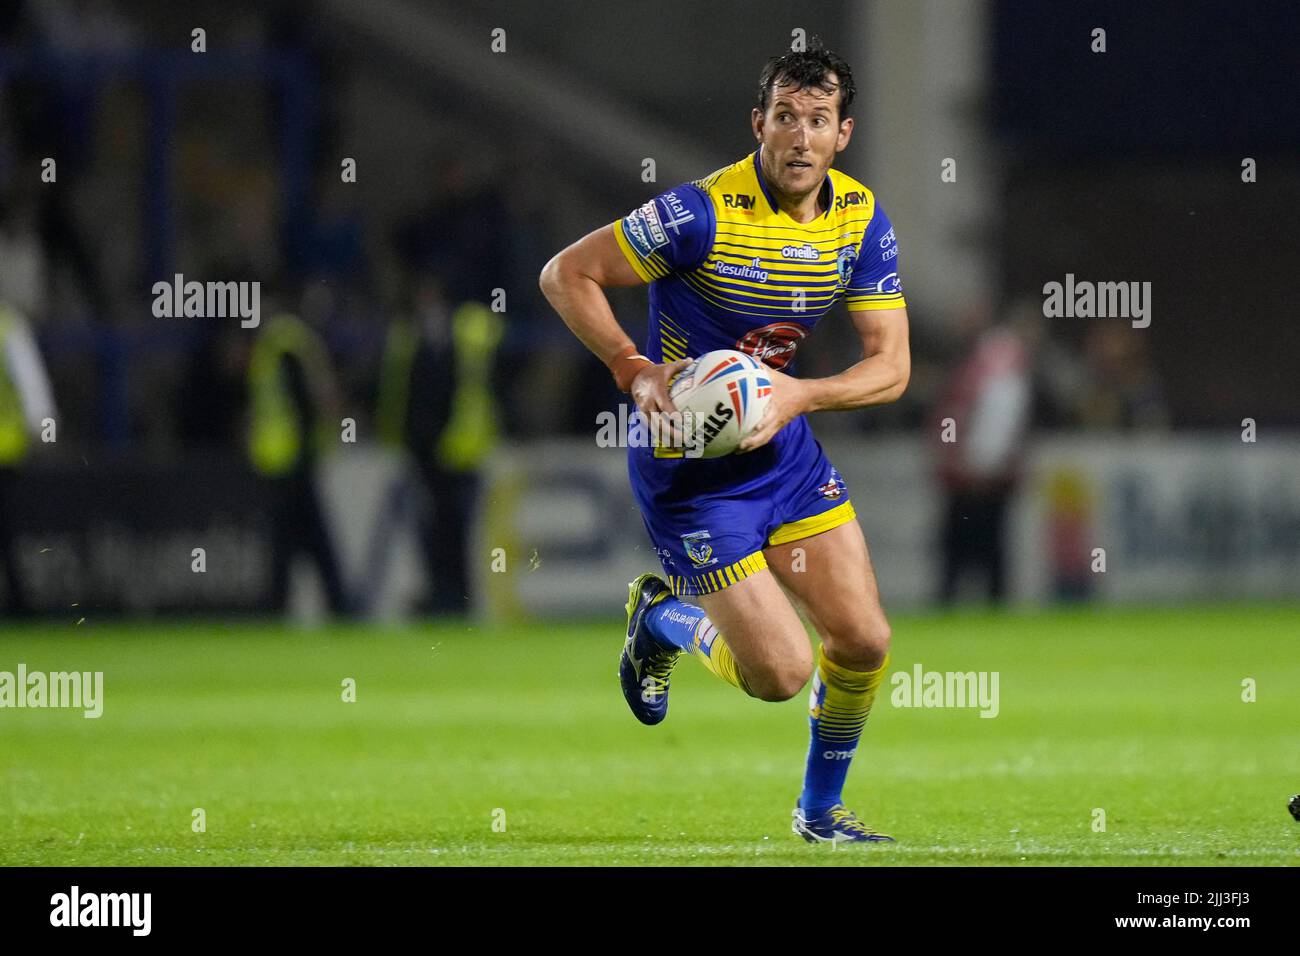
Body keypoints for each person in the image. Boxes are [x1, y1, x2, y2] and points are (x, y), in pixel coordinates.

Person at [540, 46, 910, 844]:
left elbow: (892, 367)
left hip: (781, 448)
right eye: (786, 117)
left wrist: (800, 397)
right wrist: (633, 369)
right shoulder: (699, 214)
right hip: (691, 471)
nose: (800, 138)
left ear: (843, 134)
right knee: (780, 675)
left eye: (818, 121)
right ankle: (663, 620)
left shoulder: (860, 217)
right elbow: (565, 273)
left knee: (865, 639)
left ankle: (819, 816)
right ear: (759, 125)